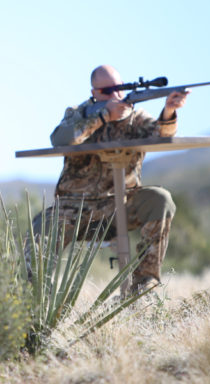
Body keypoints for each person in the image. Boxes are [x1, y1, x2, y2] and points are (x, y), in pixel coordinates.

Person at [32, 65, 187, 293]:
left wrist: (169, 111)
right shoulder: (78, 114)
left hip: (120, 205)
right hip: (74, 208)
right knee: (41, 230)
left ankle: (144, 287)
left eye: (119, 89)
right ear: (94, 93)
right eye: (107, 92)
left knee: (160, 199)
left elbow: (162, 135)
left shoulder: (135, 118)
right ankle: (36, 295)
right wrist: (103, 116)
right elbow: (60, 138)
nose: (115, 95)